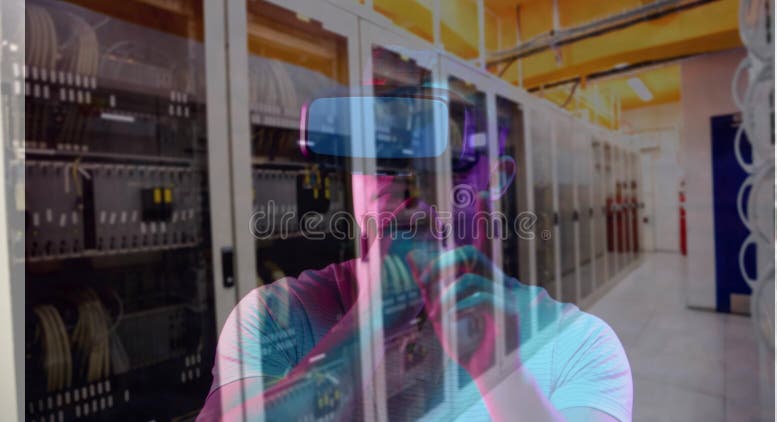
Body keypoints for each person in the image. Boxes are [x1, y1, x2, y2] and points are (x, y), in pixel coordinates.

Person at [198, 91, 632, 421]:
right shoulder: (274, 319)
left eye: (436, 158)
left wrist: (504, 377)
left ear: (496, 176)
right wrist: (365, 331)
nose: (404, 181)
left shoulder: (578, 345)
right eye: (379, 155)